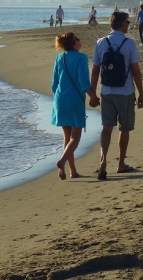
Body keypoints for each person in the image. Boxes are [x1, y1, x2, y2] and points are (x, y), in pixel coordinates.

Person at [89, 12, 143, 179]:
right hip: (125, 91)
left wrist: (92, 94)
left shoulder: (101, 43)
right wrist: (141, 93)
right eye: (127, 22)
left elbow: (95, 70)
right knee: (124, 128)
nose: (128, 25)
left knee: (106, 128)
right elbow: (135, 71)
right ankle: (120, 163)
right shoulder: (129, 43)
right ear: (122, 24)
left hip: (106, 91)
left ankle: (103, 161)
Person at [51, 32, 93, 180]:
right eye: (78, 39)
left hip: (60, 99)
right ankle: (62, 162)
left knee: (67, 137)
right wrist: (93, 96)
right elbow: (84, 82)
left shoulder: (59, 57)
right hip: (74, 100)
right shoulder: (81, 58)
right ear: (73, 43)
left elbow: (54, 84)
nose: (80, 40)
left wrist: (60, 96)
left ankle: (73, 171)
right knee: (75, 138)